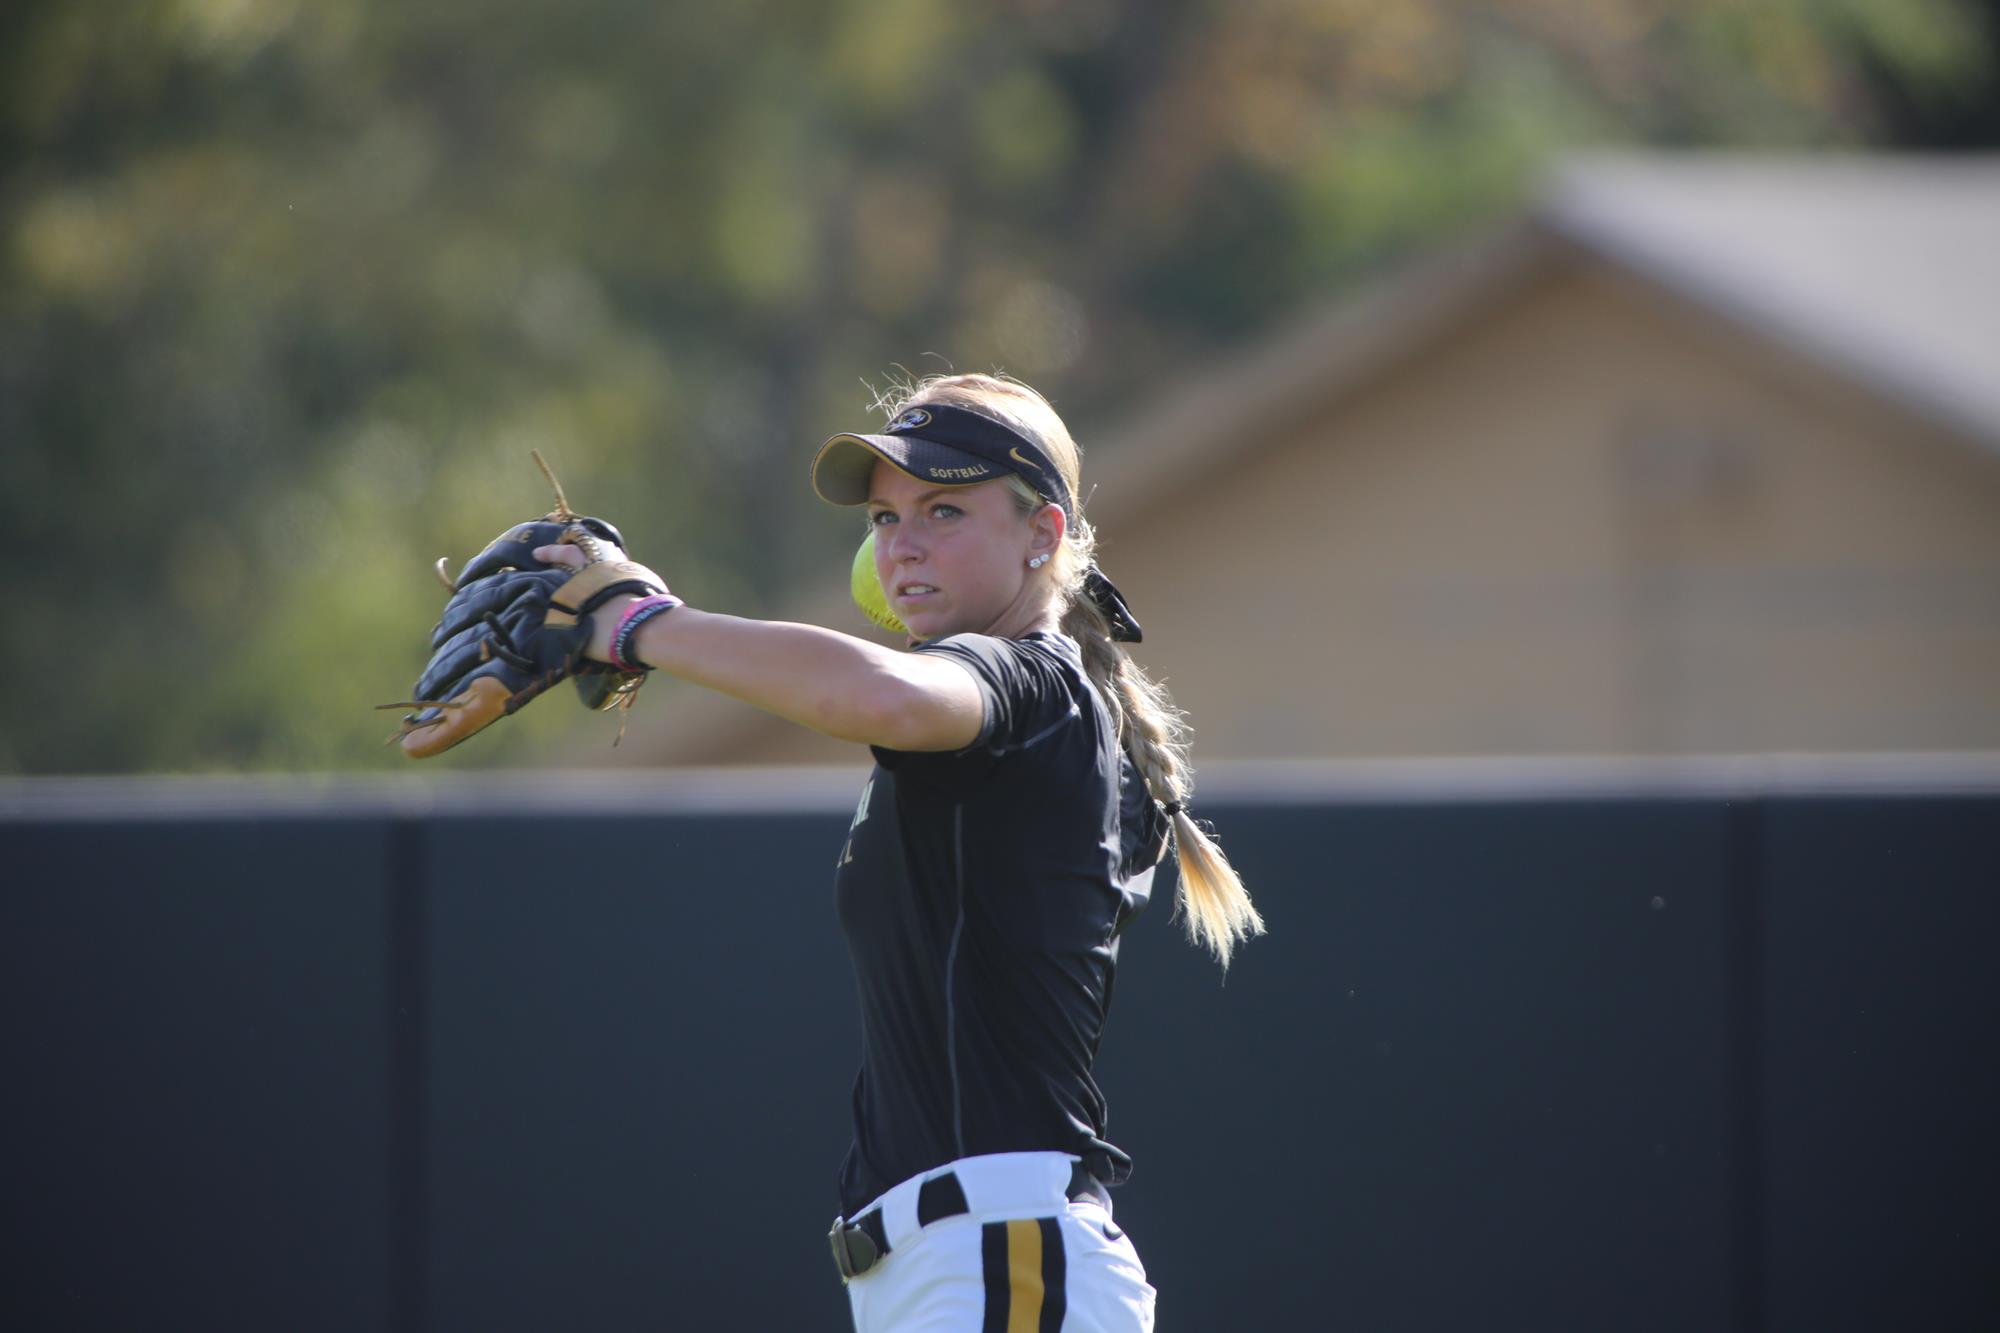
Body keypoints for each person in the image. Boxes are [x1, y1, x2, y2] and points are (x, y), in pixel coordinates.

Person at [534, 372, 1263, 1332]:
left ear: (1042, 534)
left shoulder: (1032, 683)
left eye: (944, 508)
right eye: (885, 517)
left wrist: (637, 625)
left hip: (998, 1258)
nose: (902, 544)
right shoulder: (1018, 707)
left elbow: (883, 698)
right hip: (961, 1266)